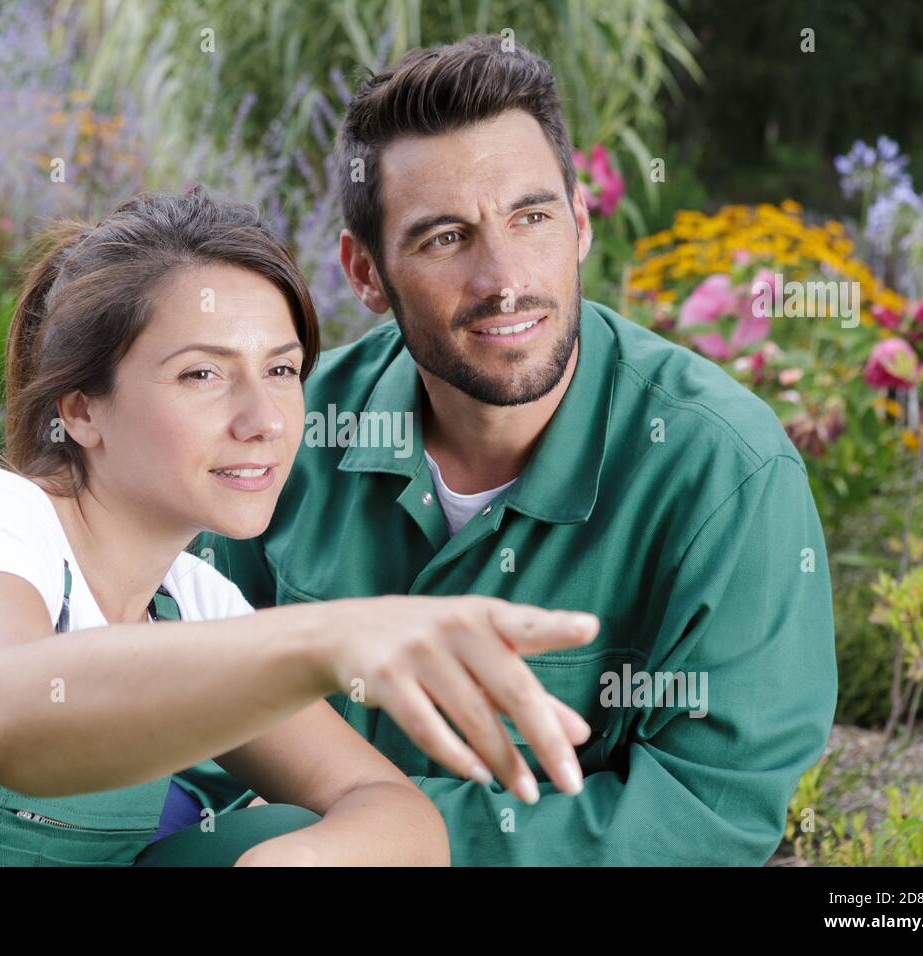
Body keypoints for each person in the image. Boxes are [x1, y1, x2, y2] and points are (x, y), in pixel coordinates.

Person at [0, 187, 600, 867]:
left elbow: (389, 805)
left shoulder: (192, 600)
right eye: (203, 377)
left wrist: (293, 862)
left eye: (283, 370)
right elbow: (1, 712)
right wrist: (332, 636)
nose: (264, 419)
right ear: (82, 411)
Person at [180, 36, 838, 866]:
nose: (504, 279)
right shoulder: (288, 431)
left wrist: (381, 836)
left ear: (581, 221)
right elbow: (188, 709)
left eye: (531, 217)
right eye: (445, 238)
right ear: (366, 273)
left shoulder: (728, 476)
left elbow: (707, 814)